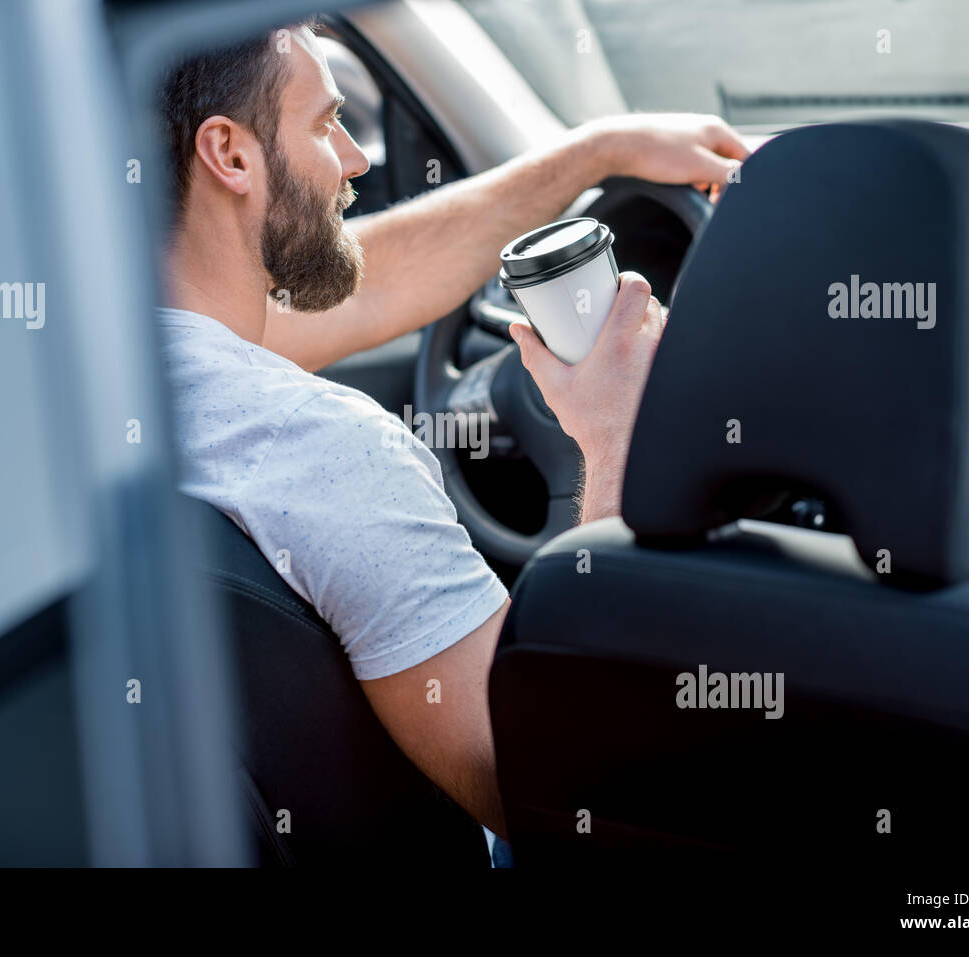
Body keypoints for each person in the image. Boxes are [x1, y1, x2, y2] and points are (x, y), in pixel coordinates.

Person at [156, 16, 749, 839]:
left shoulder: (81, 382)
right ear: (230, 155)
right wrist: (619, 436)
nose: (359, 159)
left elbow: (368, 288)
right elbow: (578, 806)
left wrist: (593, 153)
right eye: (329, 125)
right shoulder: (322, 450)